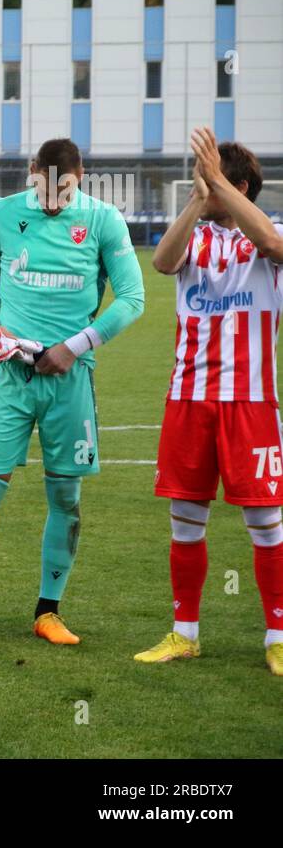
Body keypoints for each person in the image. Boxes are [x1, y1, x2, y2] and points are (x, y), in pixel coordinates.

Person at [0, 137, 144, 650]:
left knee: (66, 497)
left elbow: (133, 297)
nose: (54, 200)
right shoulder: (1, 214)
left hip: (70, 380)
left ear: (81, 176)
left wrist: (75, 347)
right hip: (10, 376)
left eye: (66, 189)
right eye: (45, 187)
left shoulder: (102, 220)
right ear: (31, 171)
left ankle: (48, 612)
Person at [136, 129, 283, 676]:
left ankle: (277, 635)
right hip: (189, 398)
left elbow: (272, 246)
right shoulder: (195, 237)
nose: (199, 184)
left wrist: (217, 179)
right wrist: (199, 198)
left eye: (208, 177)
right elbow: (162, 263)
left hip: (250, 401)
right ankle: (185, 634)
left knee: (266, 520)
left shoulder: (269, 237)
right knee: (185, 518)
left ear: (237, 184)